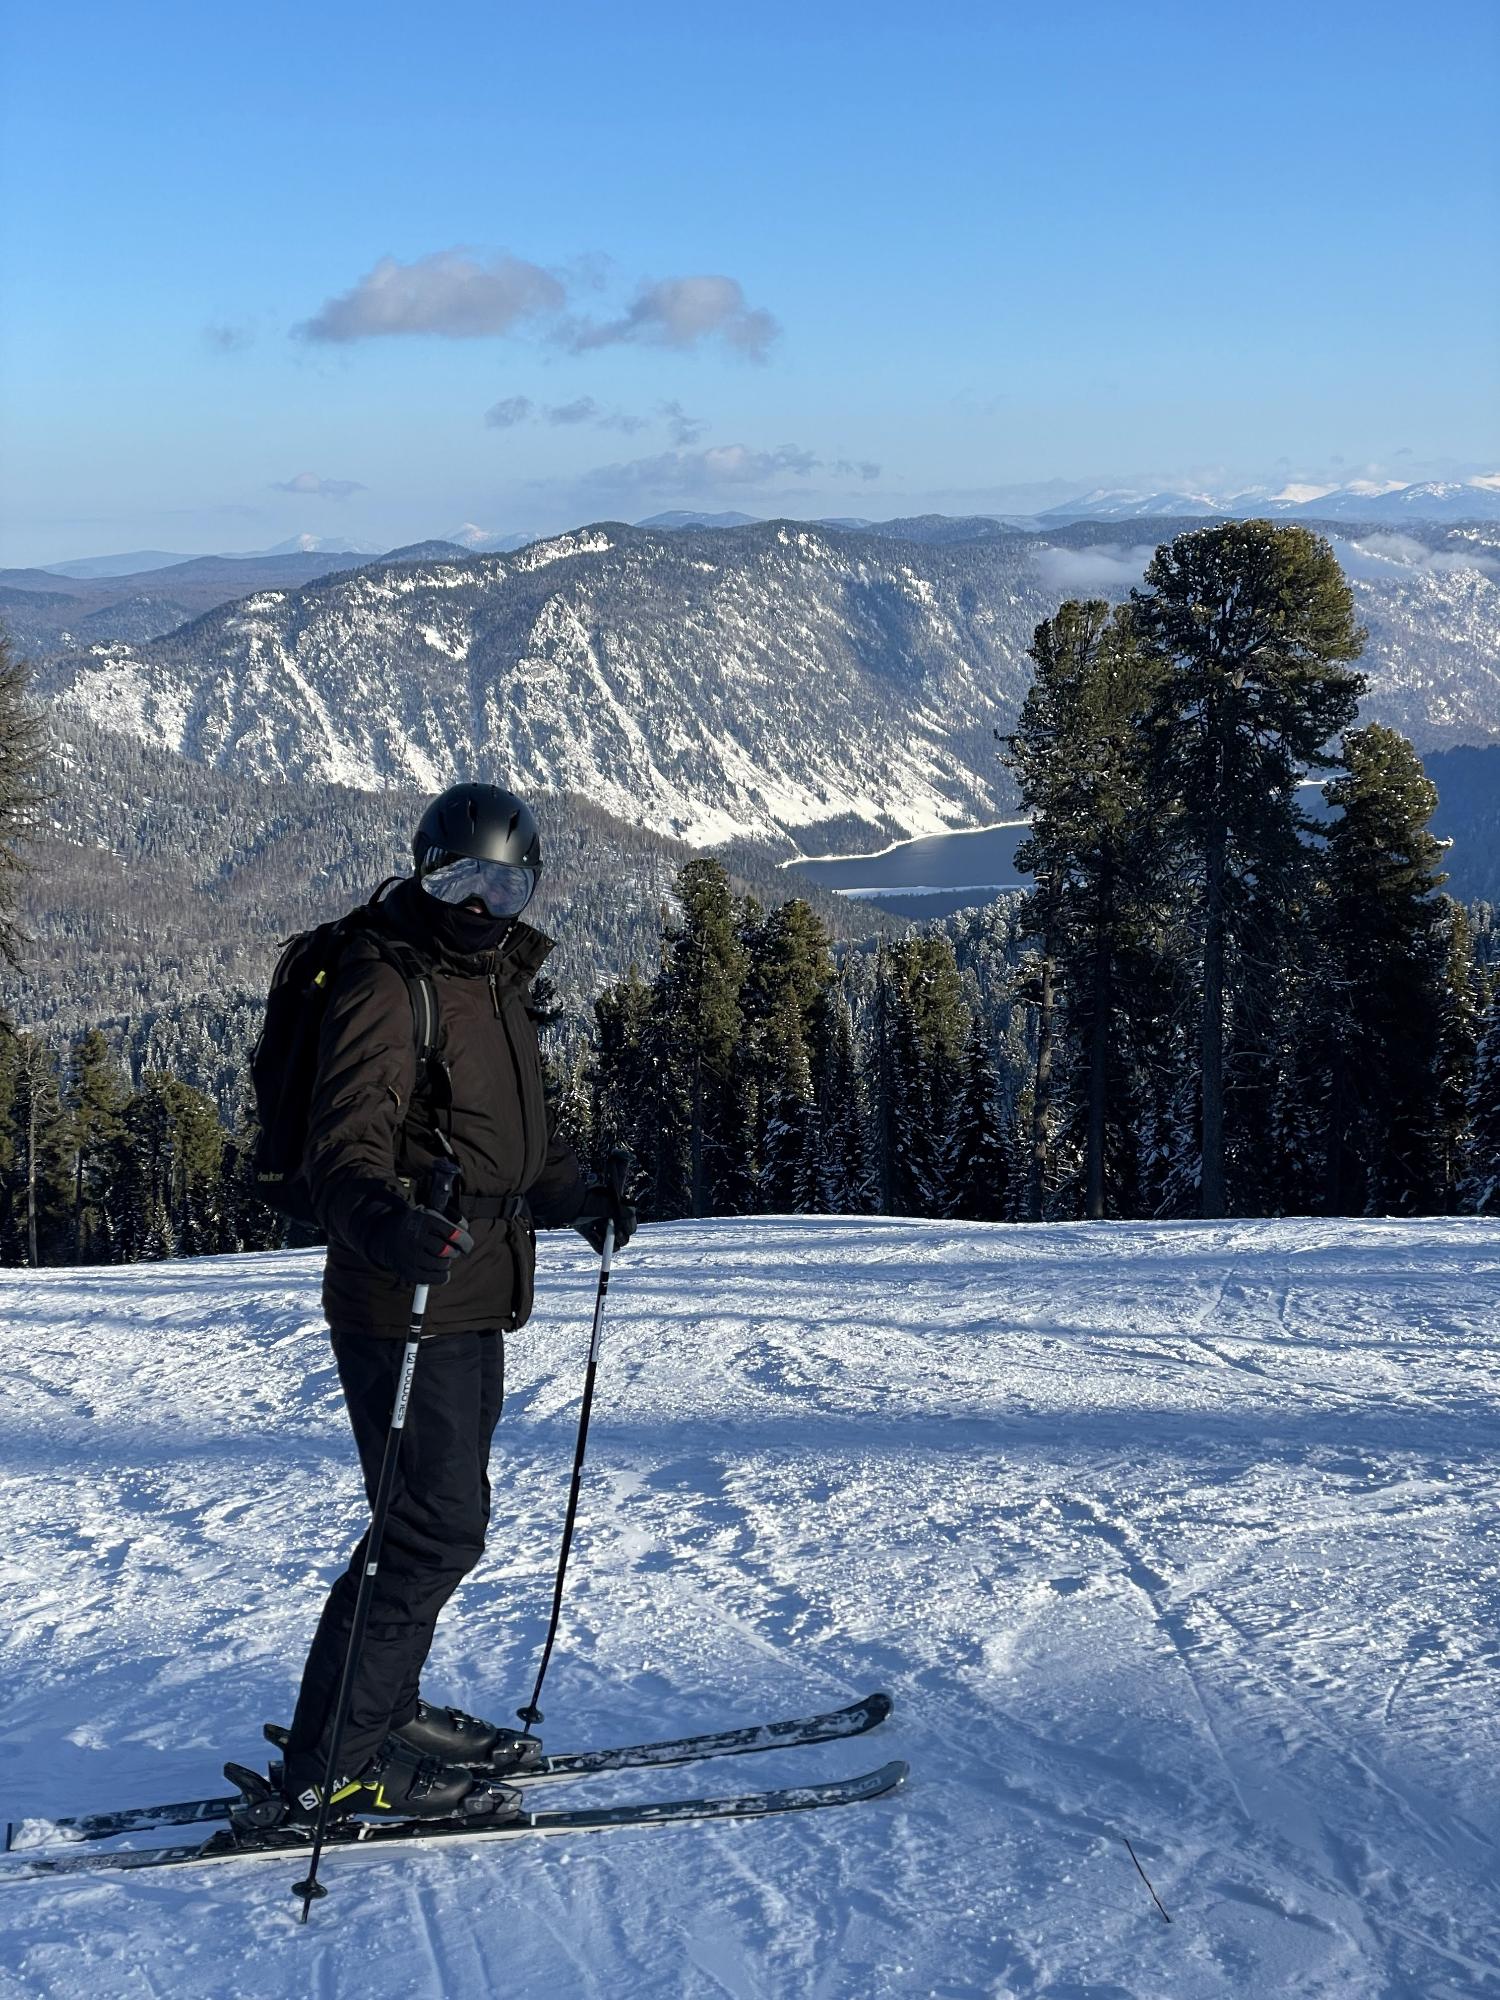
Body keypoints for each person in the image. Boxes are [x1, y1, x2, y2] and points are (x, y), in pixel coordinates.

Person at [279, 782, 636, 1825]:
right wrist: (389, 1223)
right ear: (425, 869)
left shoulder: (488, 979)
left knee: (441, 1521)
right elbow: (340, 1151)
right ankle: (335, 1759)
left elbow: (508, 1143)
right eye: (461, 878)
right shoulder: (387, 983)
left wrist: (580, 1197)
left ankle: (380, 1710)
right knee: (429, 1527)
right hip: (405, 1294)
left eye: (507, 881)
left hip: (478, 1288)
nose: (483, 902)